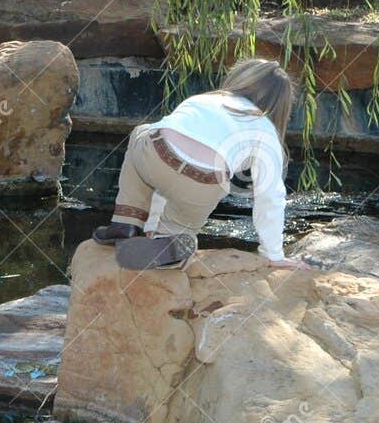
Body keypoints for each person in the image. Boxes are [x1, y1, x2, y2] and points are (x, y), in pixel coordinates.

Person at [91, 58, 312, 271]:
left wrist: (149, 223)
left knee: (142, 133)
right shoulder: (266, 131)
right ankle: (169, 244)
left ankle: (126, 223)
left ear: (239, 79)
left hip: (156, 153)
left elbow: (165, 180)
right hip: (204, 183)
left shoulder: (204, 100)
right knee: (180, 230)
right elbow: (270, 197)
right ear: (281, 104)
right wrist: (273, 254)